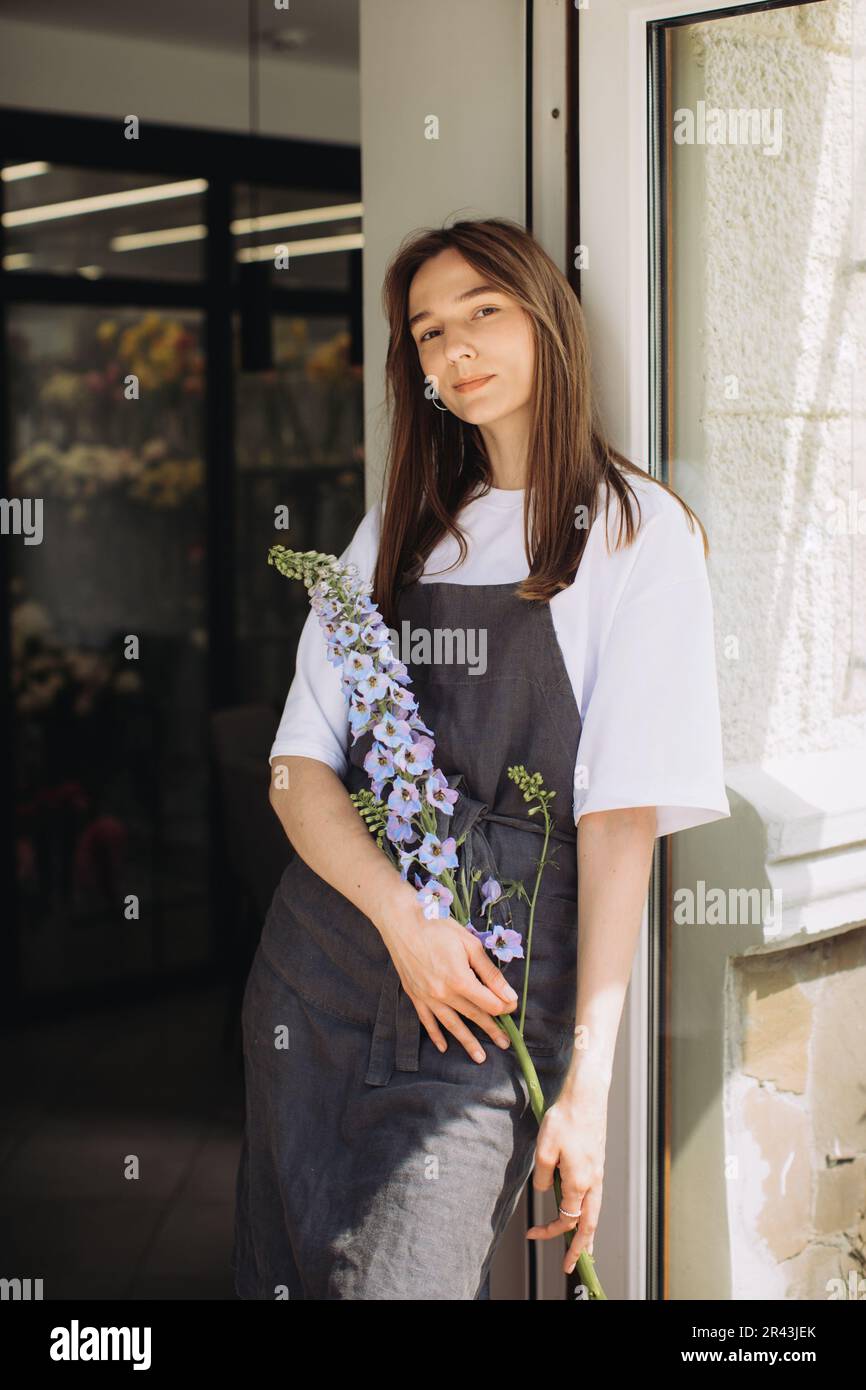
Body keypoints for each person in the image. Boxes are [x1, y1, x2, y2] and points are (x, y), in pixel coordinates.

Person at [231, 216, 730, 1301]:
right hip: (323, 970)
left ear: (545, 318)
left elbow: (616, 824)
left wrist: (586, 1084)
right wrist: (401, 919)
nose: (453, 350)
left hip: (486, 1001)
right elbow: (296, 771)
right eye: (426, 333)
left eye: (481, 313)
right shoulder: (396, 531)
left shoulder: (632, 534)